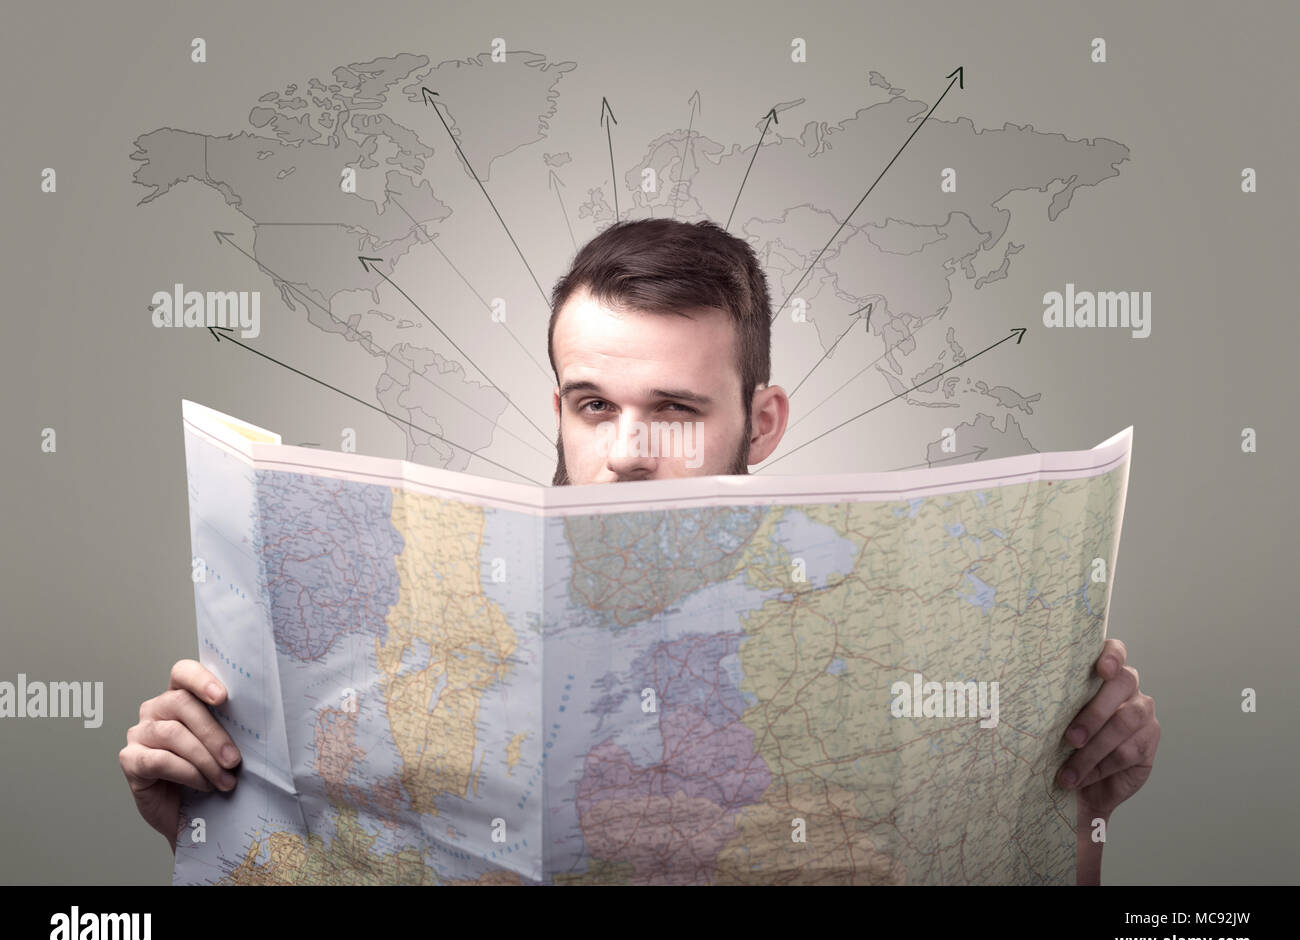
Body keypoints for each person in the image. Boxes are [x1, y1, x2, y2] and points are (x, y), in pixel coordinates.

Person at [121, 217, 1159, 884]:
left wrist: (1073, 811)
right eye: (590, 404)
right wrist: (211, 828)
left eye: (671, 406)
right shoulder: (441, 622)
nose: (622, 451)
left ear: (761, 423)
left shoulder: (862, 620)